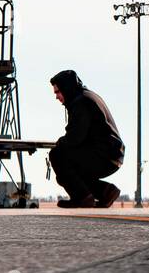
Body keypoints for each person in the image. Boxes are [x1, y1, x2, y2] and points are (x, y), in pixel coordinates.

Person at [49, 70, 124, 209]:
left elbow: (75, 137)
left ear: (66, 88)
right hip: (111, 154)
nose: (56, 96)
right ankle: (106, 192)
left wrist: (59, 143)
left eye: (57, 92)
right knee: (68, 174)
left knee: (57, 155)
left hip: (104, 154)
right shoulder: (86, 96)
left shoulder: (80, 102)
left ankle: (82, 198)